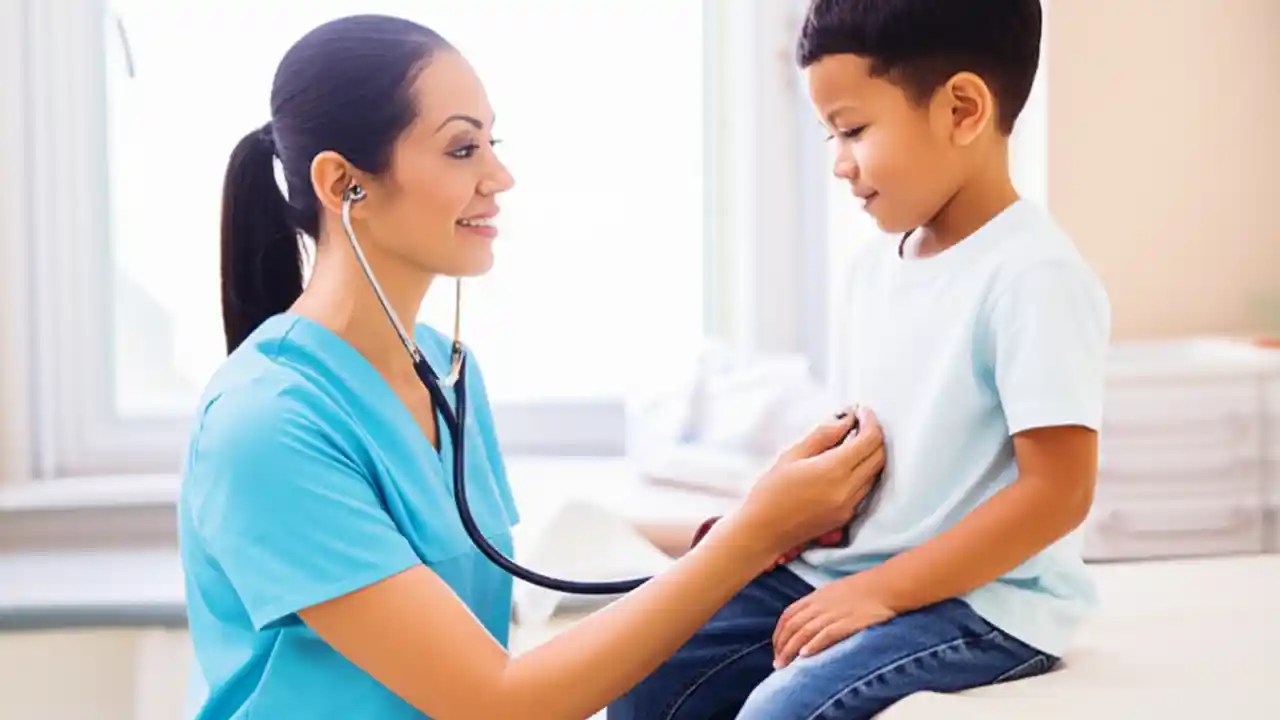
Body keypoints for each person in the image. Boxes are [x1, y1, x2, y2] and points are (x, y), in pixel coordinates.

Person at [177, 13, 886, 720]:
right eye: (461, 149)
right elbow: (498, 701)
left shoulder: (447, 375)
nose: (500, 176)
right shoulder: (264, 426)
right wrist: (752, 533)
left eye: (492, 143)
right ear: (343, 183)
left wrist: (759, 523)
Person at [610, 1, 1111, 718]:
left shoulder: (1033, 275)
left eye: (852, 130)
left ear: (962, 110)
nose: (840, 164)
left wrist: (878, 591)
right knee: (644, 675)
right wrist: (788, 520)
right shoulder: (874, 269)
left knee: (780, 712)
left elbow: (1058, 493)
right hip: (852, 569)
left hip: (982, 602)